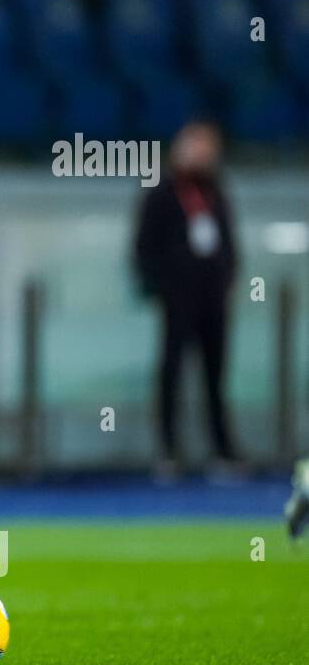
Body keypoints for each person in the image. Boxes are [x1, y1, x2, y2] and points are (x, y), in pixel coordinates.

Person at [133, 121, 240, 478]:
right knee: (171, 373)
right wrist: (158, 286)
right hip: (177, 297)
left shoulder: (215, 191)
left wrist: (228, 278)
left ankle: (222, 451)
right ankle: (167, 450)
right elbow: (145, 245)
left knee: (215, 376)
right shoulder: (161, 191)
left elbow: (227, 242)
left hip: (212, 298)